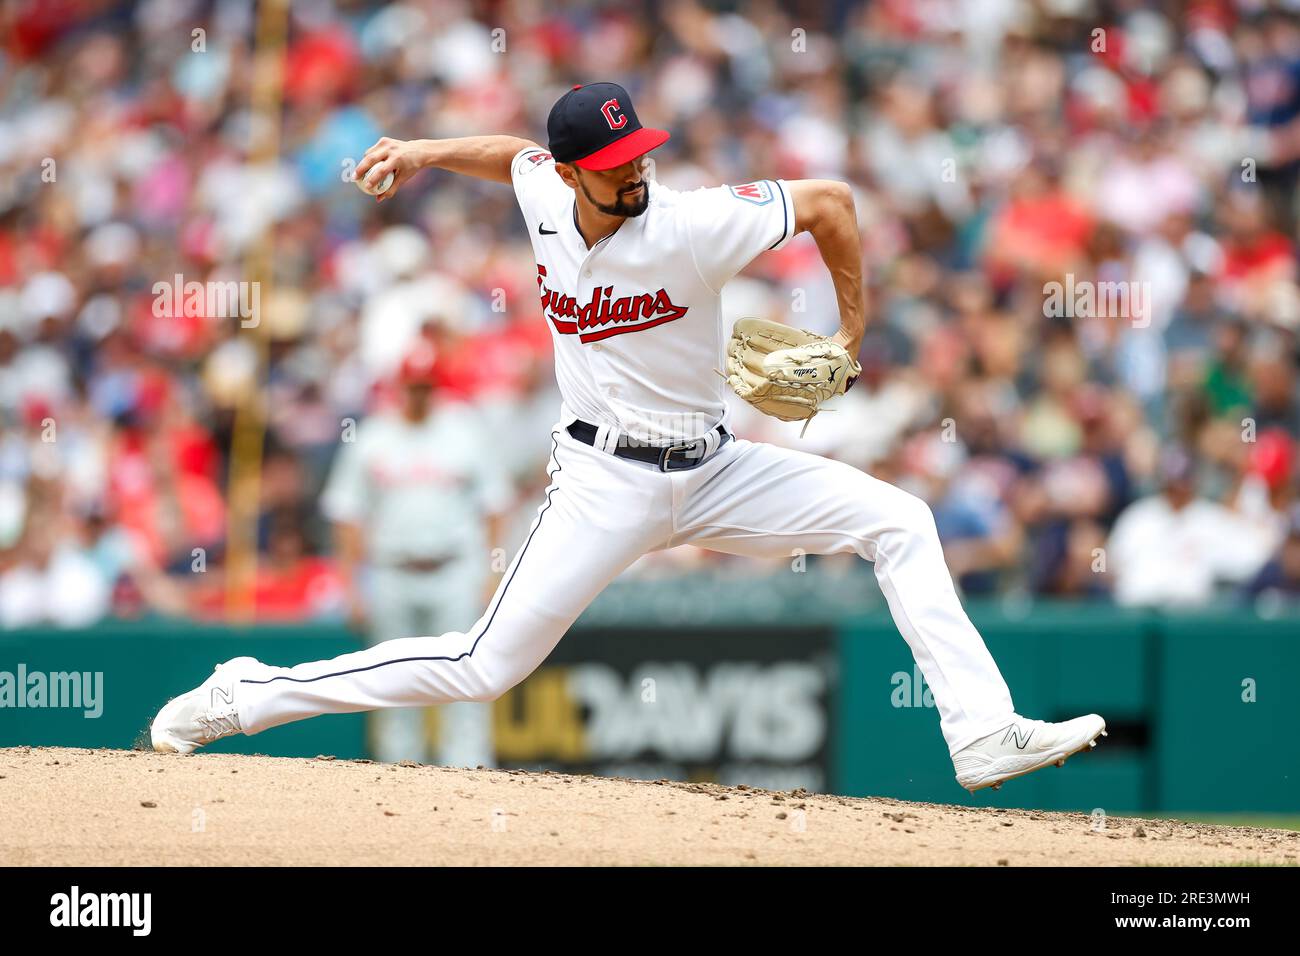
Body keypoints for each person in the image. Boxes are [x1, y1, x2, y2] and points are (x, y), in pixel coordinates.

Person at [151, 82, 1105, 794]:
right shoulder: (543, 191)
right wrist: (425, 151)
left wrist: (850, 337)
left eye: (640, 151)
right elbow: (515, 153)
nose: (637, 169)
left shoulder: (688, 224)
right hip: (603, 483)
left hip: (718, 467)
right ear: (574, 175)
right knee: (483, 667)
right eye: (614, 164)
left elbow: (832, 205)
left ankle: (980, 730)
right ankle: (250, 691)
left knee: (899, 519)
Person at [320, 343, 509, 766]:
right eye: (413, 385)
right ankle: (396, 779)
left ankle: (470, 773)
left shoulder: (463, 429)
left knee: (466, 677)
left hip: (455, 569)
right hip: (391, 571)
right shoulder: (373, 436)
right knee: (390, 681)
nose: (419, 394)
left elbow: (496, 505)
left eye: (426, 386)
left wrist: (492, 571)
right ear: (399, 386)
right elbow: (346, 513)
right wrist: (351, 585)